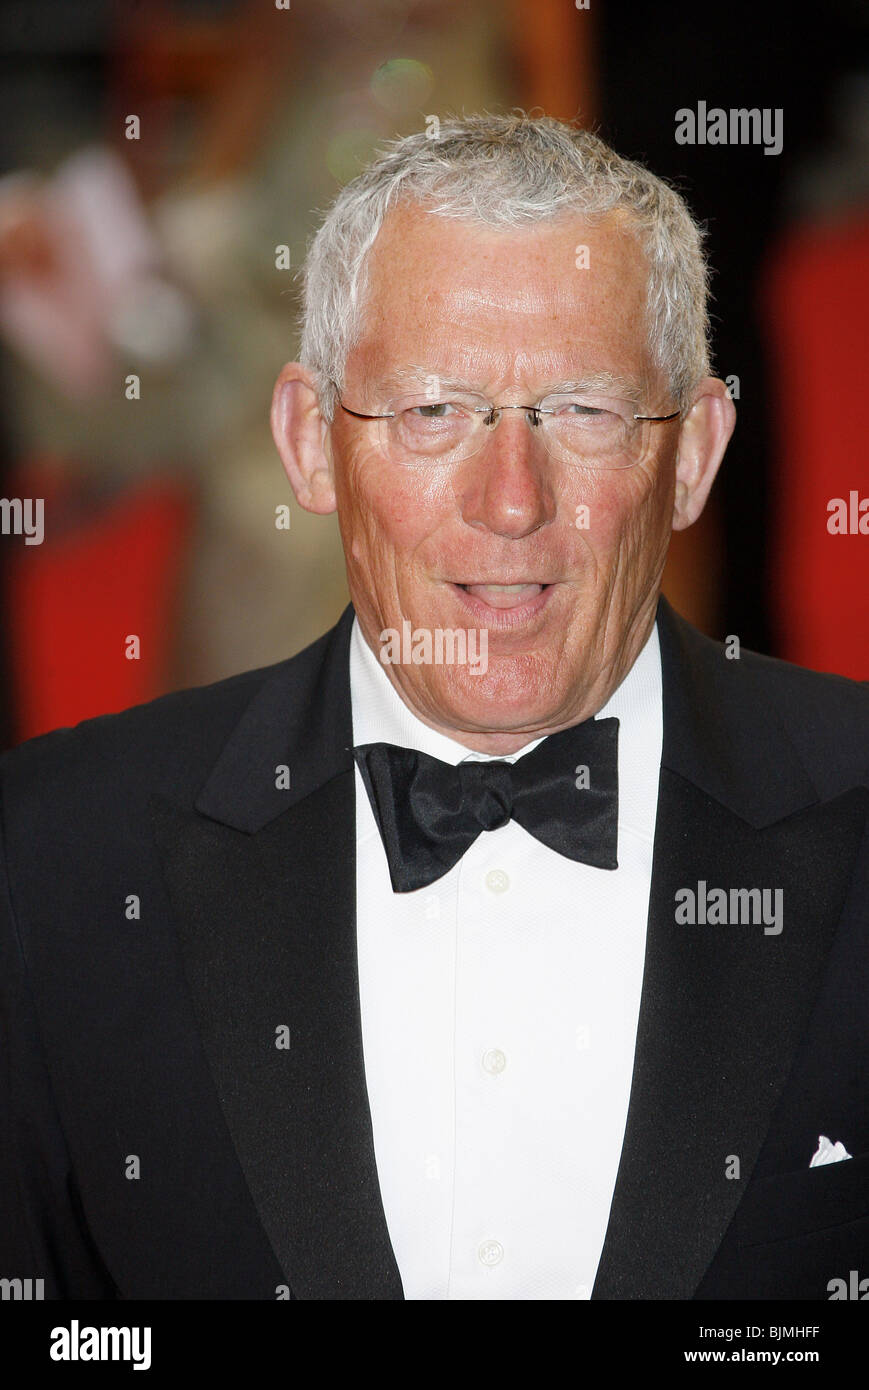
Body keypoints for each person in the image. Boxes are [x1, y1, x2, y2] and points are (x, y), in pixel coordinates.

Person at [1, 113, 866, 1302]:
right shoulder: (53, 859)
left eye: (581, 410)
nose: (509, 501)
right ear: (310, 443)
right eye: (431, 412)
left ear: (693, 454)